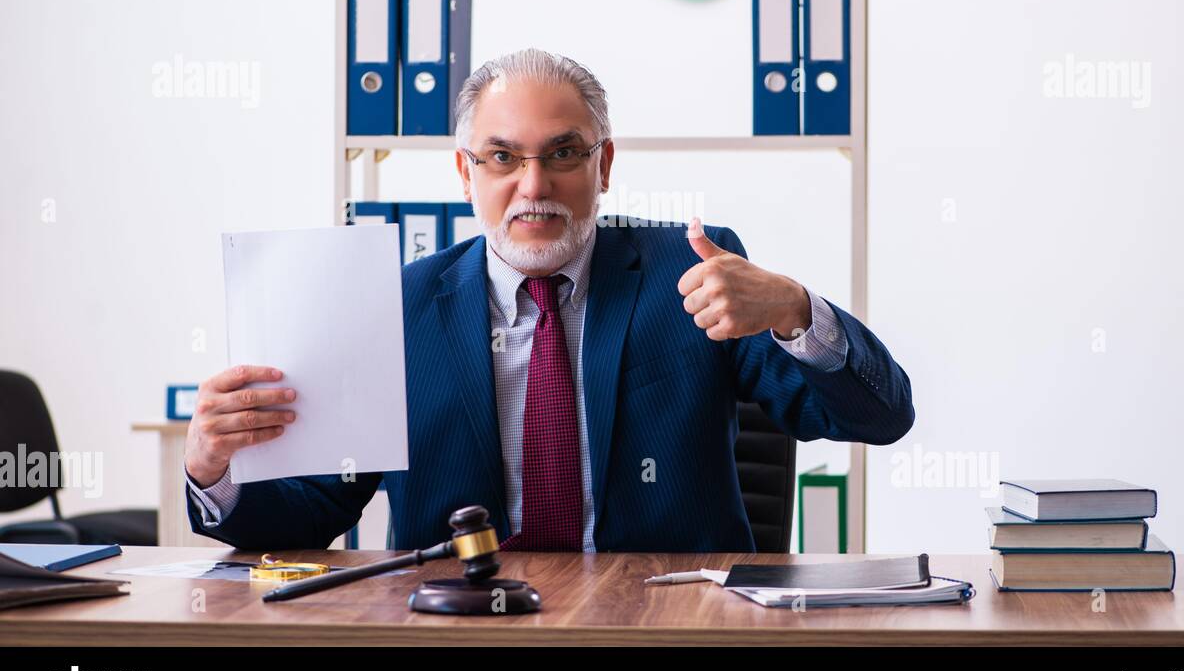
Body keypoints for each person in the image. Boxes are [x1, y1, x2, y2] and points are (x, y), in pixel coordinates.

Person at [184, 48, 914, 551]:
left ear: (605, 165)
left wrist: (793, 308)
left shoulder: (691, 272)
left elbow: (882, 415)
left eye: (563, 153)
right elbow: (310, 516)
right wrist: (214, 472)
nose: (533, 186)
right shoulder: (399, 305)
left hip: (662, 627)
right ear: (465, 171)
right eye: (503, 157)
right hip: (462, 632)